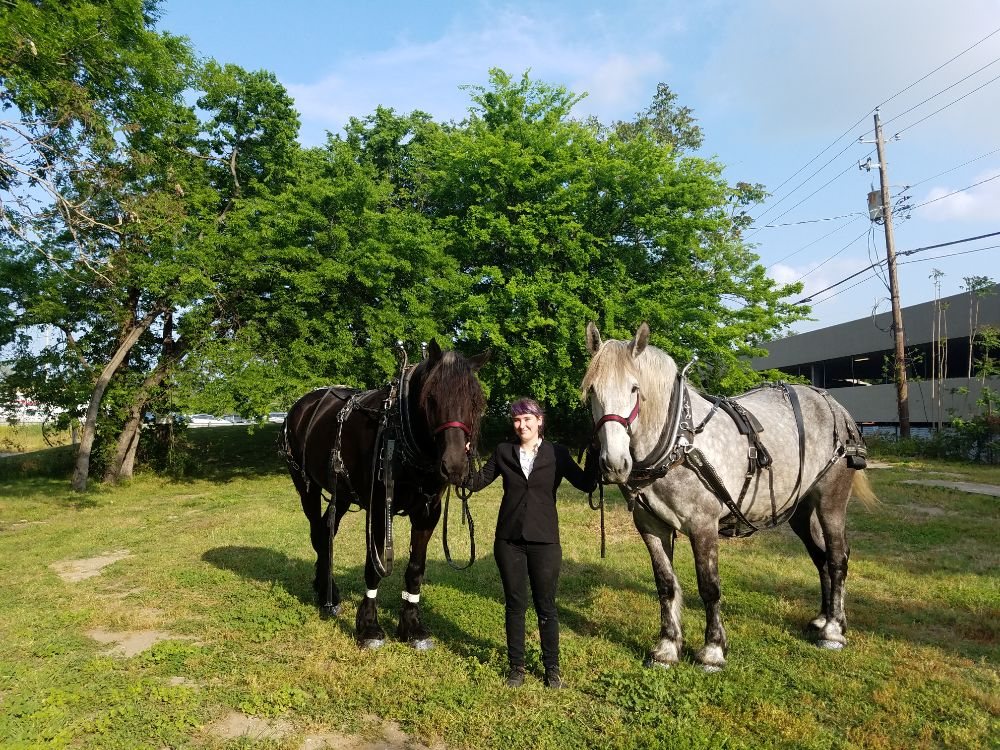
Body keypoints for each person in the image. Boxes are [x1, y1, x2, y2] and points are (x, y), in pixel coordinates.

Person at [465, 397, 598, 689]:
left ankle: (552, 670)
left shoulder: (557, 453)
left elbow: (586, 483)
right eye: (516, 419)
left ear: (539, 421)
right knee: (515, 604)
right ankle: (517, 668)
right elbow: (474, 482)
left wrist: (595, 452)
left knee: (546, 605)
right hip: (508, 541)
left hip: (545, 541)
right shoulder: (503, 452)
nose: (521, 424)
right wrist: (462, 457)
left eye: (527, 419)